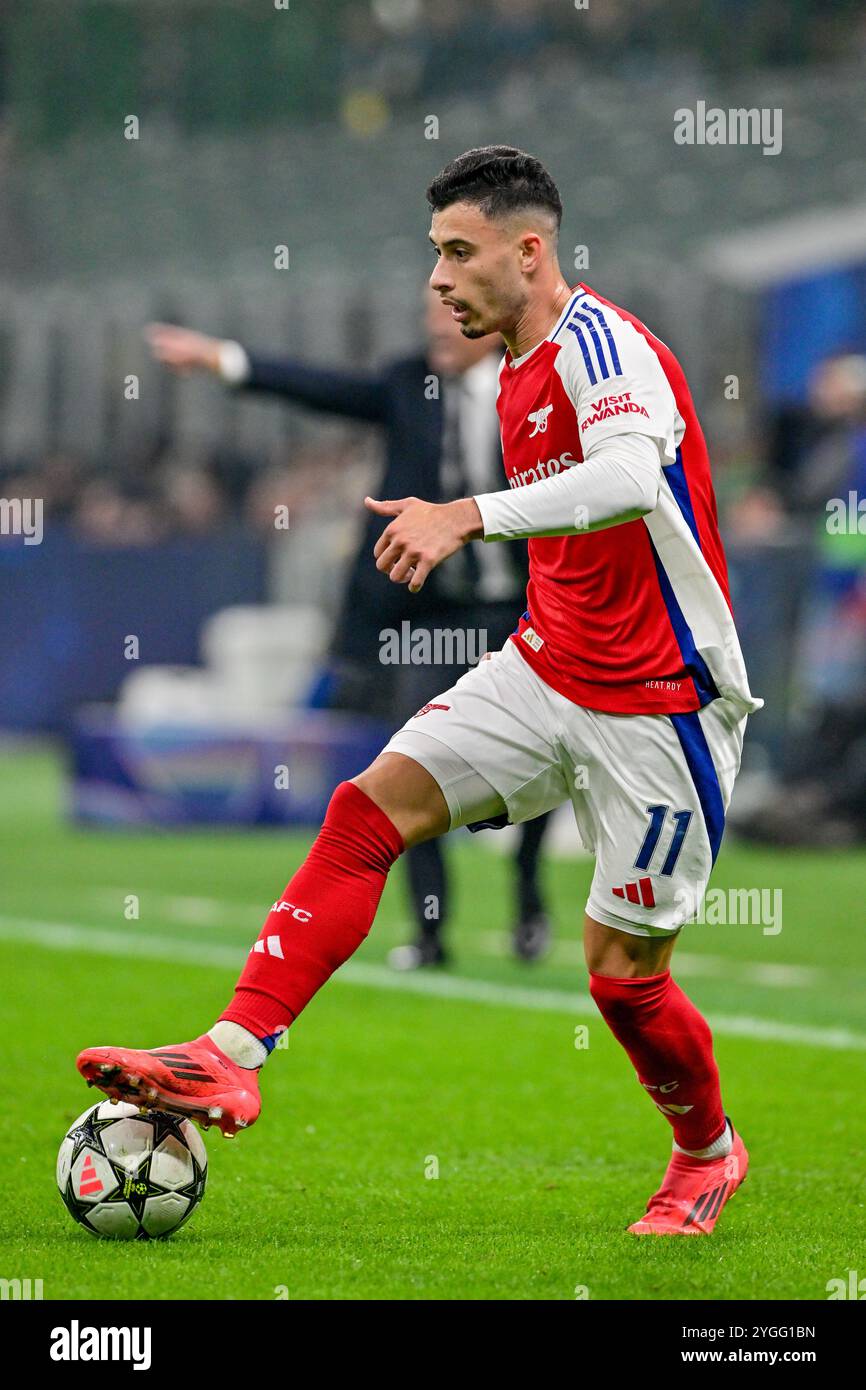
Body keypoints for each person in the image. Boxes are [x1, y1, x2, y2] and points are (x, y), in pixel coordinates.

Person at [78, 146, 762, 1236]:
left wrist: (466, 515)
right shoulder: (511, 370)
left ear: (527, 250)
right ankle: (229, 1056)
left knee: (622, 984)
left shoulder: (601, 346)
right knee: (364, 812)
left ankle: (704, 1153)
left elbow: (633, 477)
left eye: (456, 252)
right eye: (432, 254)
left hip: (660, 703)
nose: (436, 280)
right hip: (544, 666)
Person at [145, 292, 553, 968]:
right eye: (427, 315)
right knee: (421, 760)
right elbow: (320, 390)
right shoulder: (407, 386)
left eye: (451, 316)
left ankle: (529, 890)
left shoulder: (533, 389)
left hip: (520, 607)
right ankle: (430, 933)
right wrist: (224, 360)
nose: (436, 328)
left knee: (544, 754)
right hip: (427, 613)